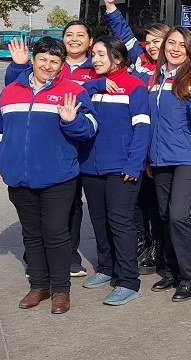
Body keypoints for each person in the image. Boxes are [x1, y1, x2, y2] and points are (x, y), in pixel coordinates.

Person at [0, 37, 98, 314]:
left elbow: (90, 128)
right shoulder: (10, 91)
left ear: (61, 66)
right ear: (33, 59)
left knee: (56, 233)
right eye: (43, 59)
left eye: (54, 62)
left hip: (58, 177)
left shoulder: (72, 91)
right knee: (31, 234)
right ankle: (39, 285)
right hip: (18, 177)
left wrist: (72, 120)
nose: (47, 65)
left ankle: (60, 290)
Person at [6, 22, 98, 278]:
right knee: (39, 221)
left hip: (80, 153)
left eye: (81, 35)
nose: (74, 39)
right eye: (69, 34)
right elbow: (14, 95)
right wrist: (17, 65)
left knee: (72, 208)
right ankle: (38, 263)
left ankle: (69, 257)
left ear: (90, 41)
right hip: (49, 156)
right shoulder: (48, 63)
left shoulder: (97, 65)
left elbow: (90, 116)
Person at [77, 35, 151, 305]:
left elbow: (142, 129)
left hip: (122, 167)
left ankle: (129, 280)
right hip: (90, 166)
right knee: (99, 220)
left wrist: (134, 163)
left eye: (100, 55)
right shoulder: (89, 84)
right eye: (92, 55)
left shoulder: (135, 86)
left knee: (121, 221)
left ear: (117, 59)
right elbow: (70, 96)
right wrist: (95, 83)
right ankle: (107, 268)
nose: (94, 59)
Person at [103, 0, 170, 276]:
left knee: (157, 201)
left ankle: (159, 245)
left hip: (159, 145)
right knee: (137, 200)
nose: (153, 46)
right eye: (150, 41)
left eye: (160, 41)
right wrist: (110, 7)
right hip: (135, 144)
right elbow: (124, 34)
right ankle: (141, 240)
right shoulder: (140, 61)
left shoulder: (174, 70)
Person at [147, 27, 191, 303]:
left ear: (189, 51)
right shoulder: (155, 77)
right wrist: (147, 157)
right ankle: (172, 270)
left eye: (181, 45)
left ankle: (190, 277)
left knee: (178, 216)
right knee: (164, 216)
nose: (175, 48)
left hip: (187, 157)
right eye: (170, 43)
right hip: (159, 158)